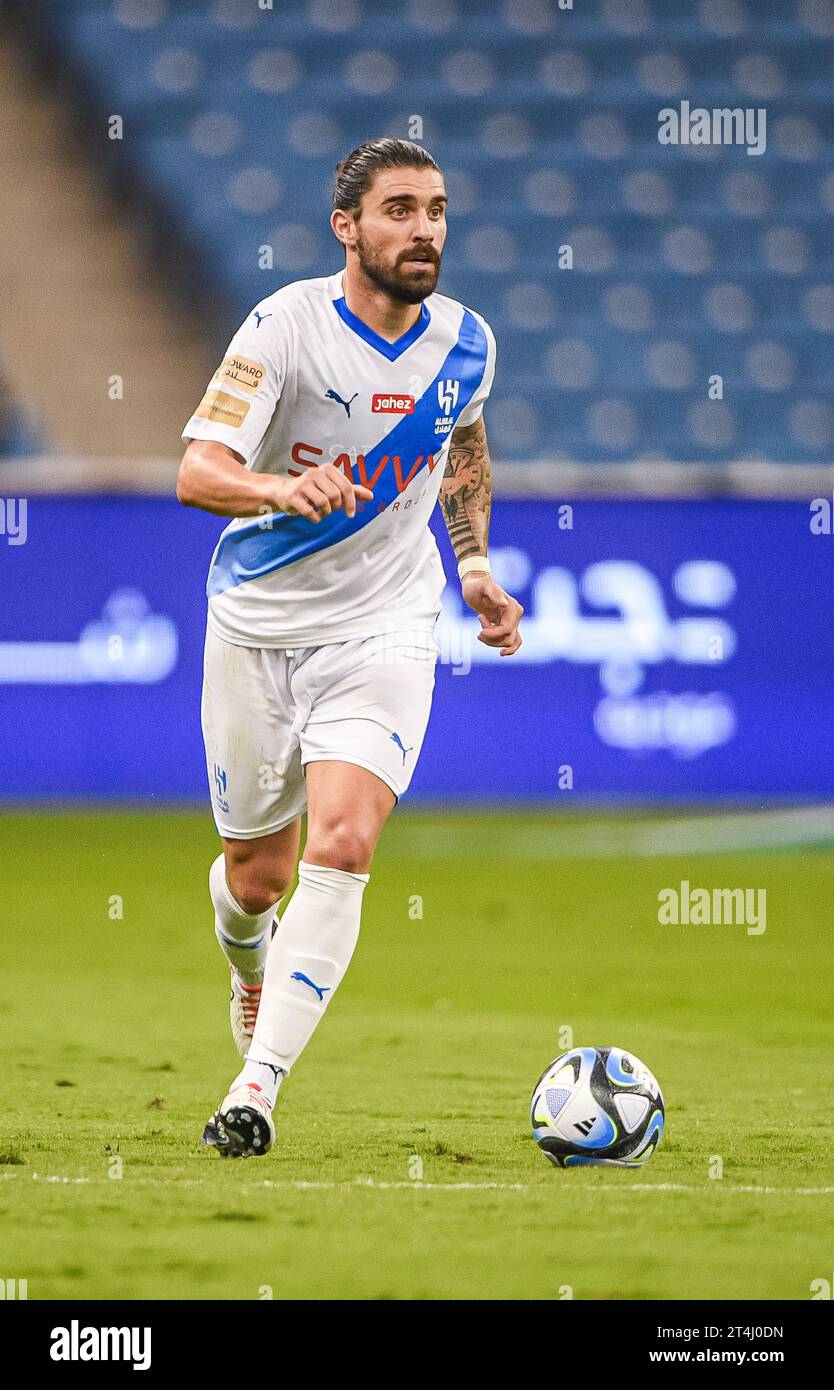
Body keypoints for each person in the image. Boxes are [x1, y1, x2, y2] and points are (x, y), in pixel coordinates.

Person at [177, 137, 524, 1158]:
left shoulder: (468, 345)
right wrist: (282, 486)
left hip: (384, 626)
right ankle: (250, 965)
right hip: (257, 626)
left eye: (438, 210)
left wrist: (469, 569)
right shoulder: (282, 329)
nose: (425, 230)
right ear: (348, 226)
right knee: (256, 878)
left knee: (344, 845)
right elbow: (197, 472)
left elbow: (464, 446)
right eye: (401, 209)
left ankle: (255, 1090)